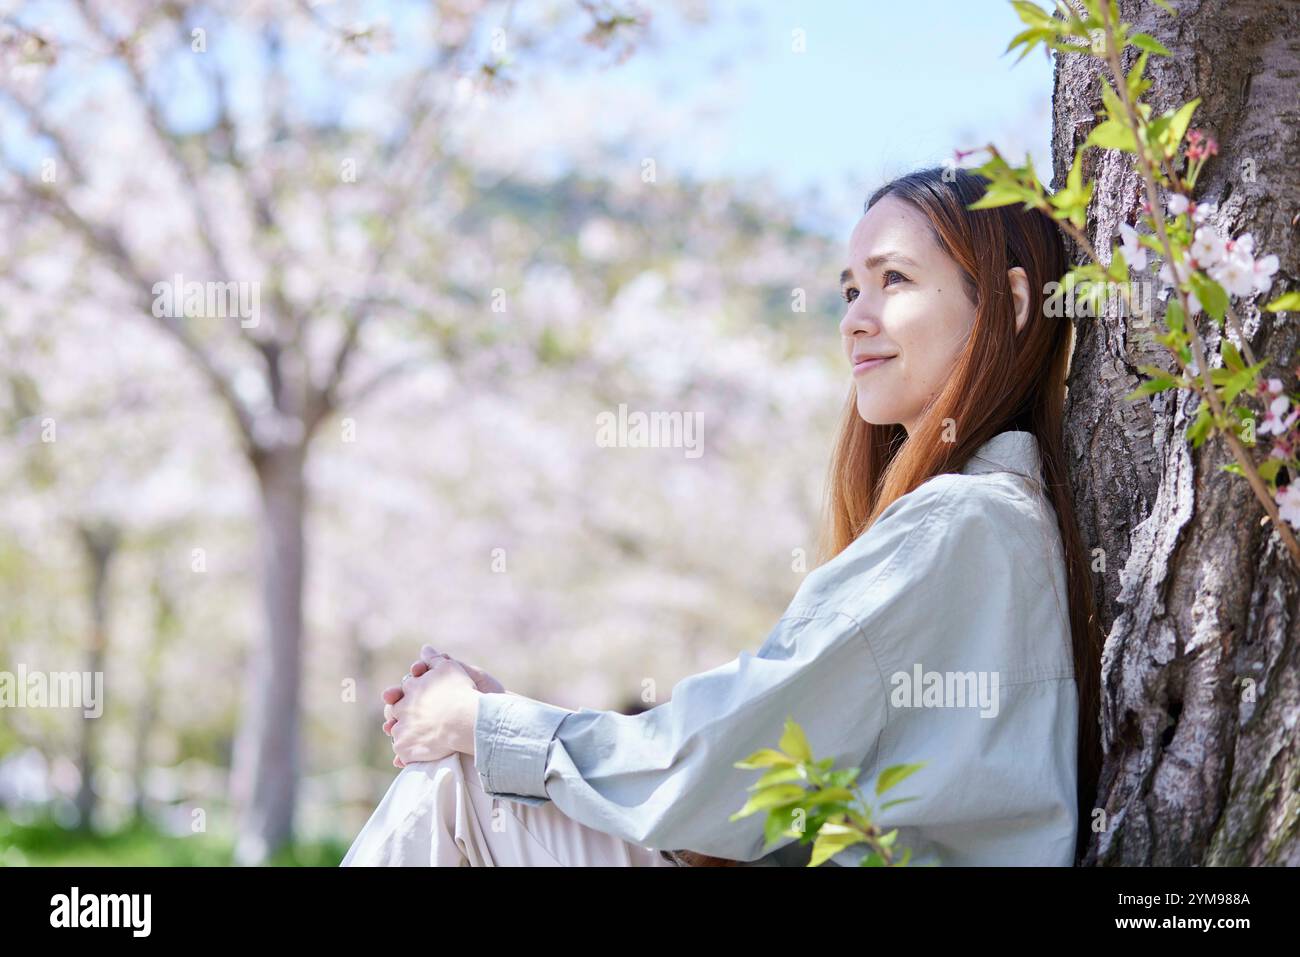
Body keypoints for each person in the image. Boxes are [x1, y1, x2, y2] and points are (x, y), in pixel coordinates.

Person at [340, 166, 1103, 867]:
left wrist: (489, 725)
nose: (854, 321)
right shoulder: (1004, 521)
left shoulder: (957, 523)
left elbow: (731, 754)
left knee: (450, 790)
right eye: (848, 292)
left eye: (893, 280)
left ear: (1010, 301)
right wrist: (509, 726)